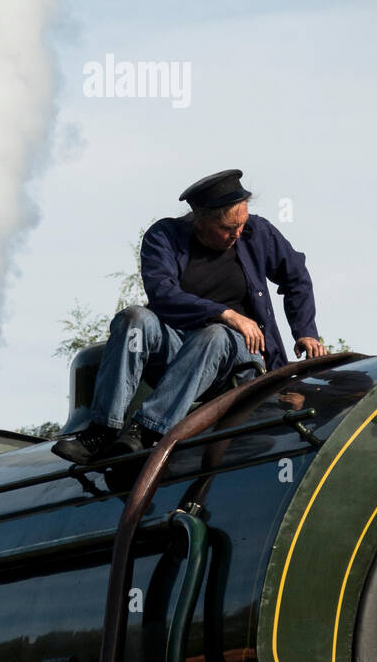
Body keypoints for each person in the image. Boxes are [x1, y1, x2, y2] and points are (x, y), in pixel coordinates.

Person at [53, 169, 325, 464]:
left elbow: (296, 277)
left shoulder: (256, 233)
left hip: (240, 358)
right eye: (227, 227)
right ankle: (103, 429)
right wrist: (225, 313)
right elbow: (162, 293)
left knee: (215, 333)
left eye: (241, 224)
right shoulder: (164, 236)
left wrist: (305, 330)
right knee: (134, 318)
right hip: (177, 349)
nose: (237, 233)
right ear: (201, 221)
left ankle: (147, 429)